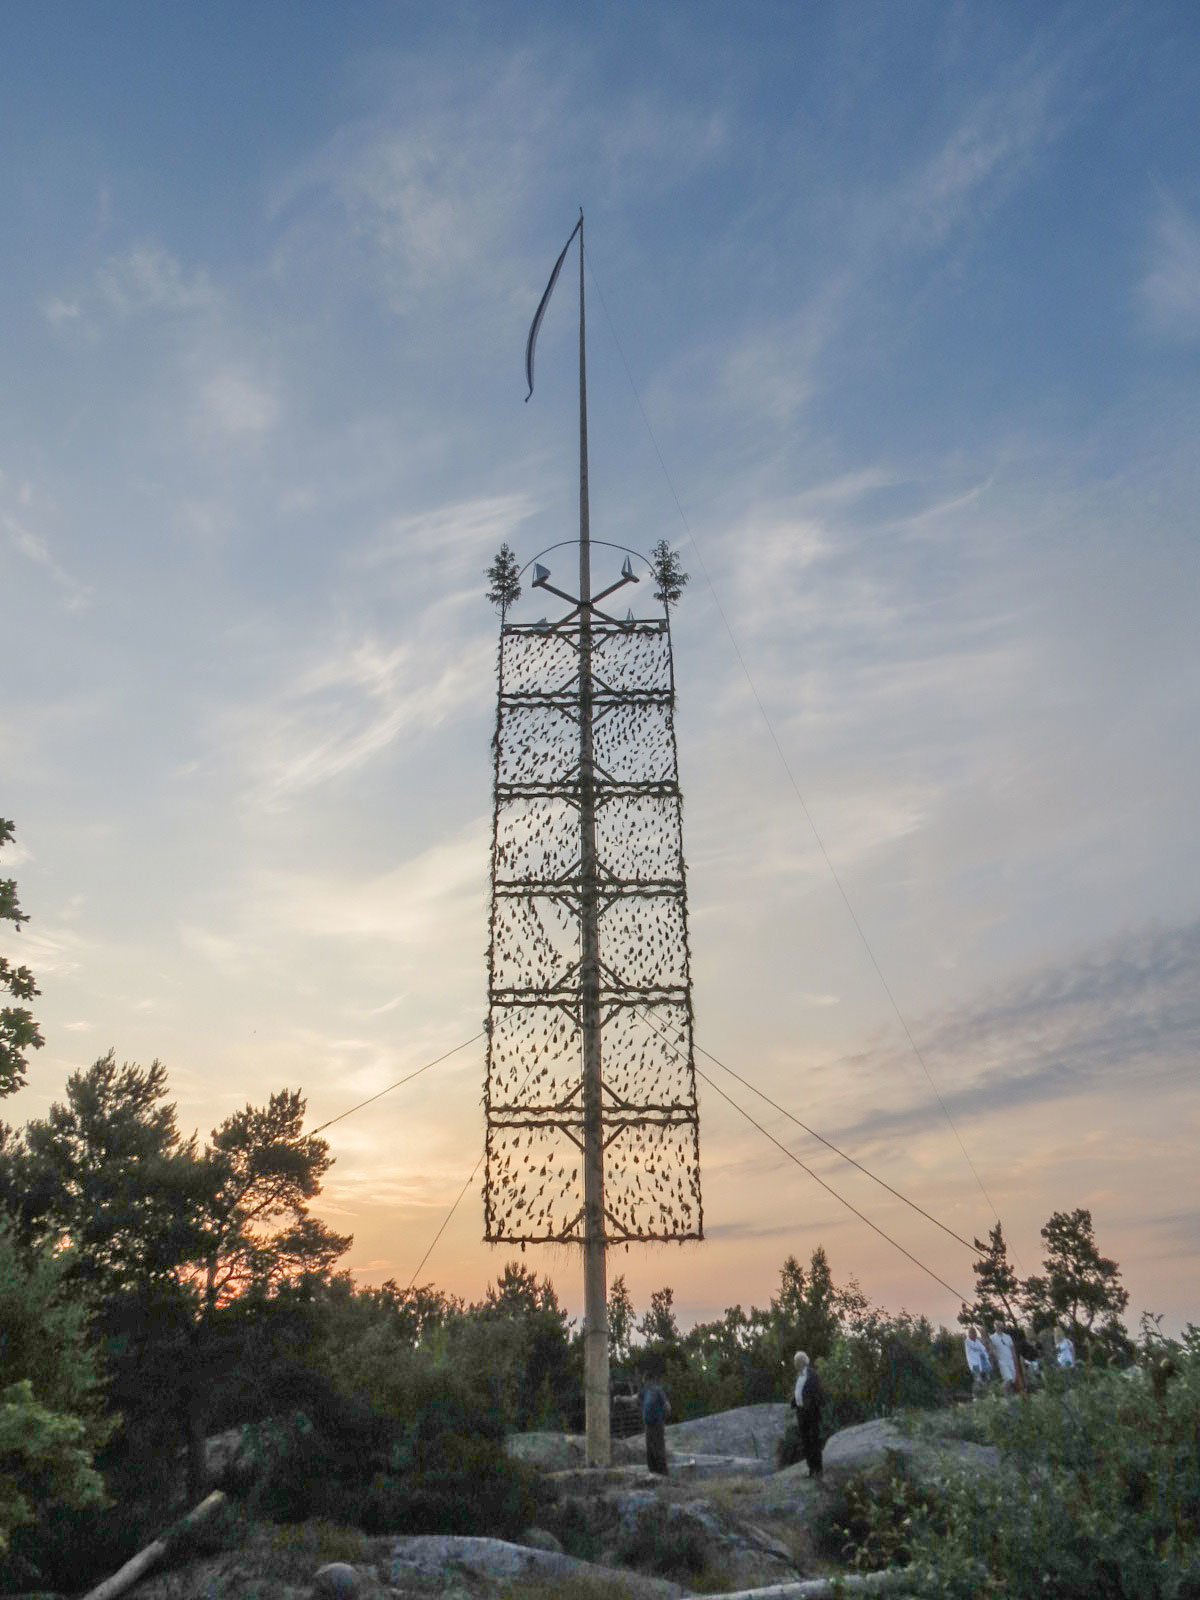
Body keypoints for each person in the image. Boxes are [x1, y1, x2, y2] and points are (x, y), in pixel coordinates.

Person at [792, 1351, 825, 1477]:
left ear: (803, 1362)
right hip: (801, 1412)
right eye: (795, 1361)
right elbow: (799, 1391)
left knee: (814, 1440)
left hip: (811, 1413)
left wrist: (811, 1406)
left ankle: (818, 1468)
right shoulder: (799, 1376)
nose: (795, 1363)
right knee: (805, 1441)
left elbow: (817, 1393)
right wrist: (794, 1402)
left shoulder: (812, 1375)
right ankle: (811, 1469)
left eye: (797, 1361)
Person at [640, 1371, 670, 1475]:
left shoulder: (658, 1391)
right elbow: (634, 1398)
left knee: (658, 1449)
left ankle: (663, 1473)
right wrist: (621, 1398)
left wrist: (662, 1419)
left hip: (657, 1424)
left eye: (645, 1382)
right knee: (650, 1449)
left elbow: (667, 1406)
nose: (644, 1384)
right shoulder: (645, 1392)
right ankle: (652, 1472)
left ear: (650, 1380)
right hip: (648, 1426)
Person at [988, 1325, 1018, 1393]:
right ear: (995, 1328)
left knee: (1013, 1377)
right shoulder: (992, 1337)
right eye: (997, 1326)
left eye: (999, 1326)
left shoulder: (1007, 1336)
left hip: (1010, 1359)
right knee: (1008, 1378)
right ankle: (1004, 1392)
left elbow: (1012, 1348)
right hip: (1002, 1361)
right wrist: (995, 1356)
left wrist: (1014, 1357)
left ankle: (1002, 1391)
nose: (998, 1328)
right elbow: (991, 1348)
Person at [963, 1325, 992, 1391]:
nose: (974, 1334)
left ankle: (988, 1392)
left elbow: (983, 1349)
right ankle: (977, 1395)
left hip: (982, 1362)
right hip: (974, 1364)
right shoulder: (967, 1342)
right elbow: (975, 1348)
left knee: (987, 1378)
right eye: (972, 1333)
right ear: (969, 1334)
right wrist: (981, 1350)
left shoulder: (978, 1341)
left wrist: (986, 1352)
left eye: (974, 1332)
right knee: (978, 1379)